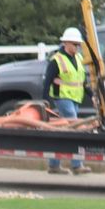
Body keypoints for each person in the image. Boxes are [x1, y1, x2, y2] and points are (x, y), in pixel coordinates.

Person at [42, 27, 90, 175]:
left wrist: (92, 94)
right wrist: (45, 101)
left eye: (78, 44)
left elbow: (81, 82)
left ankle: (54, 165)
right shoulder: (57, 60)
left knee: (64, 132)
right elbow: (47, 81)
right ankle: (77, 165)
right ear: (66, 43)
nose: (77, 47)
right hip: (63, 98)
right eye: (75, 44)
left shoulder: (79, 58)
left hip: (75, 98)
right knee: (76, 127)